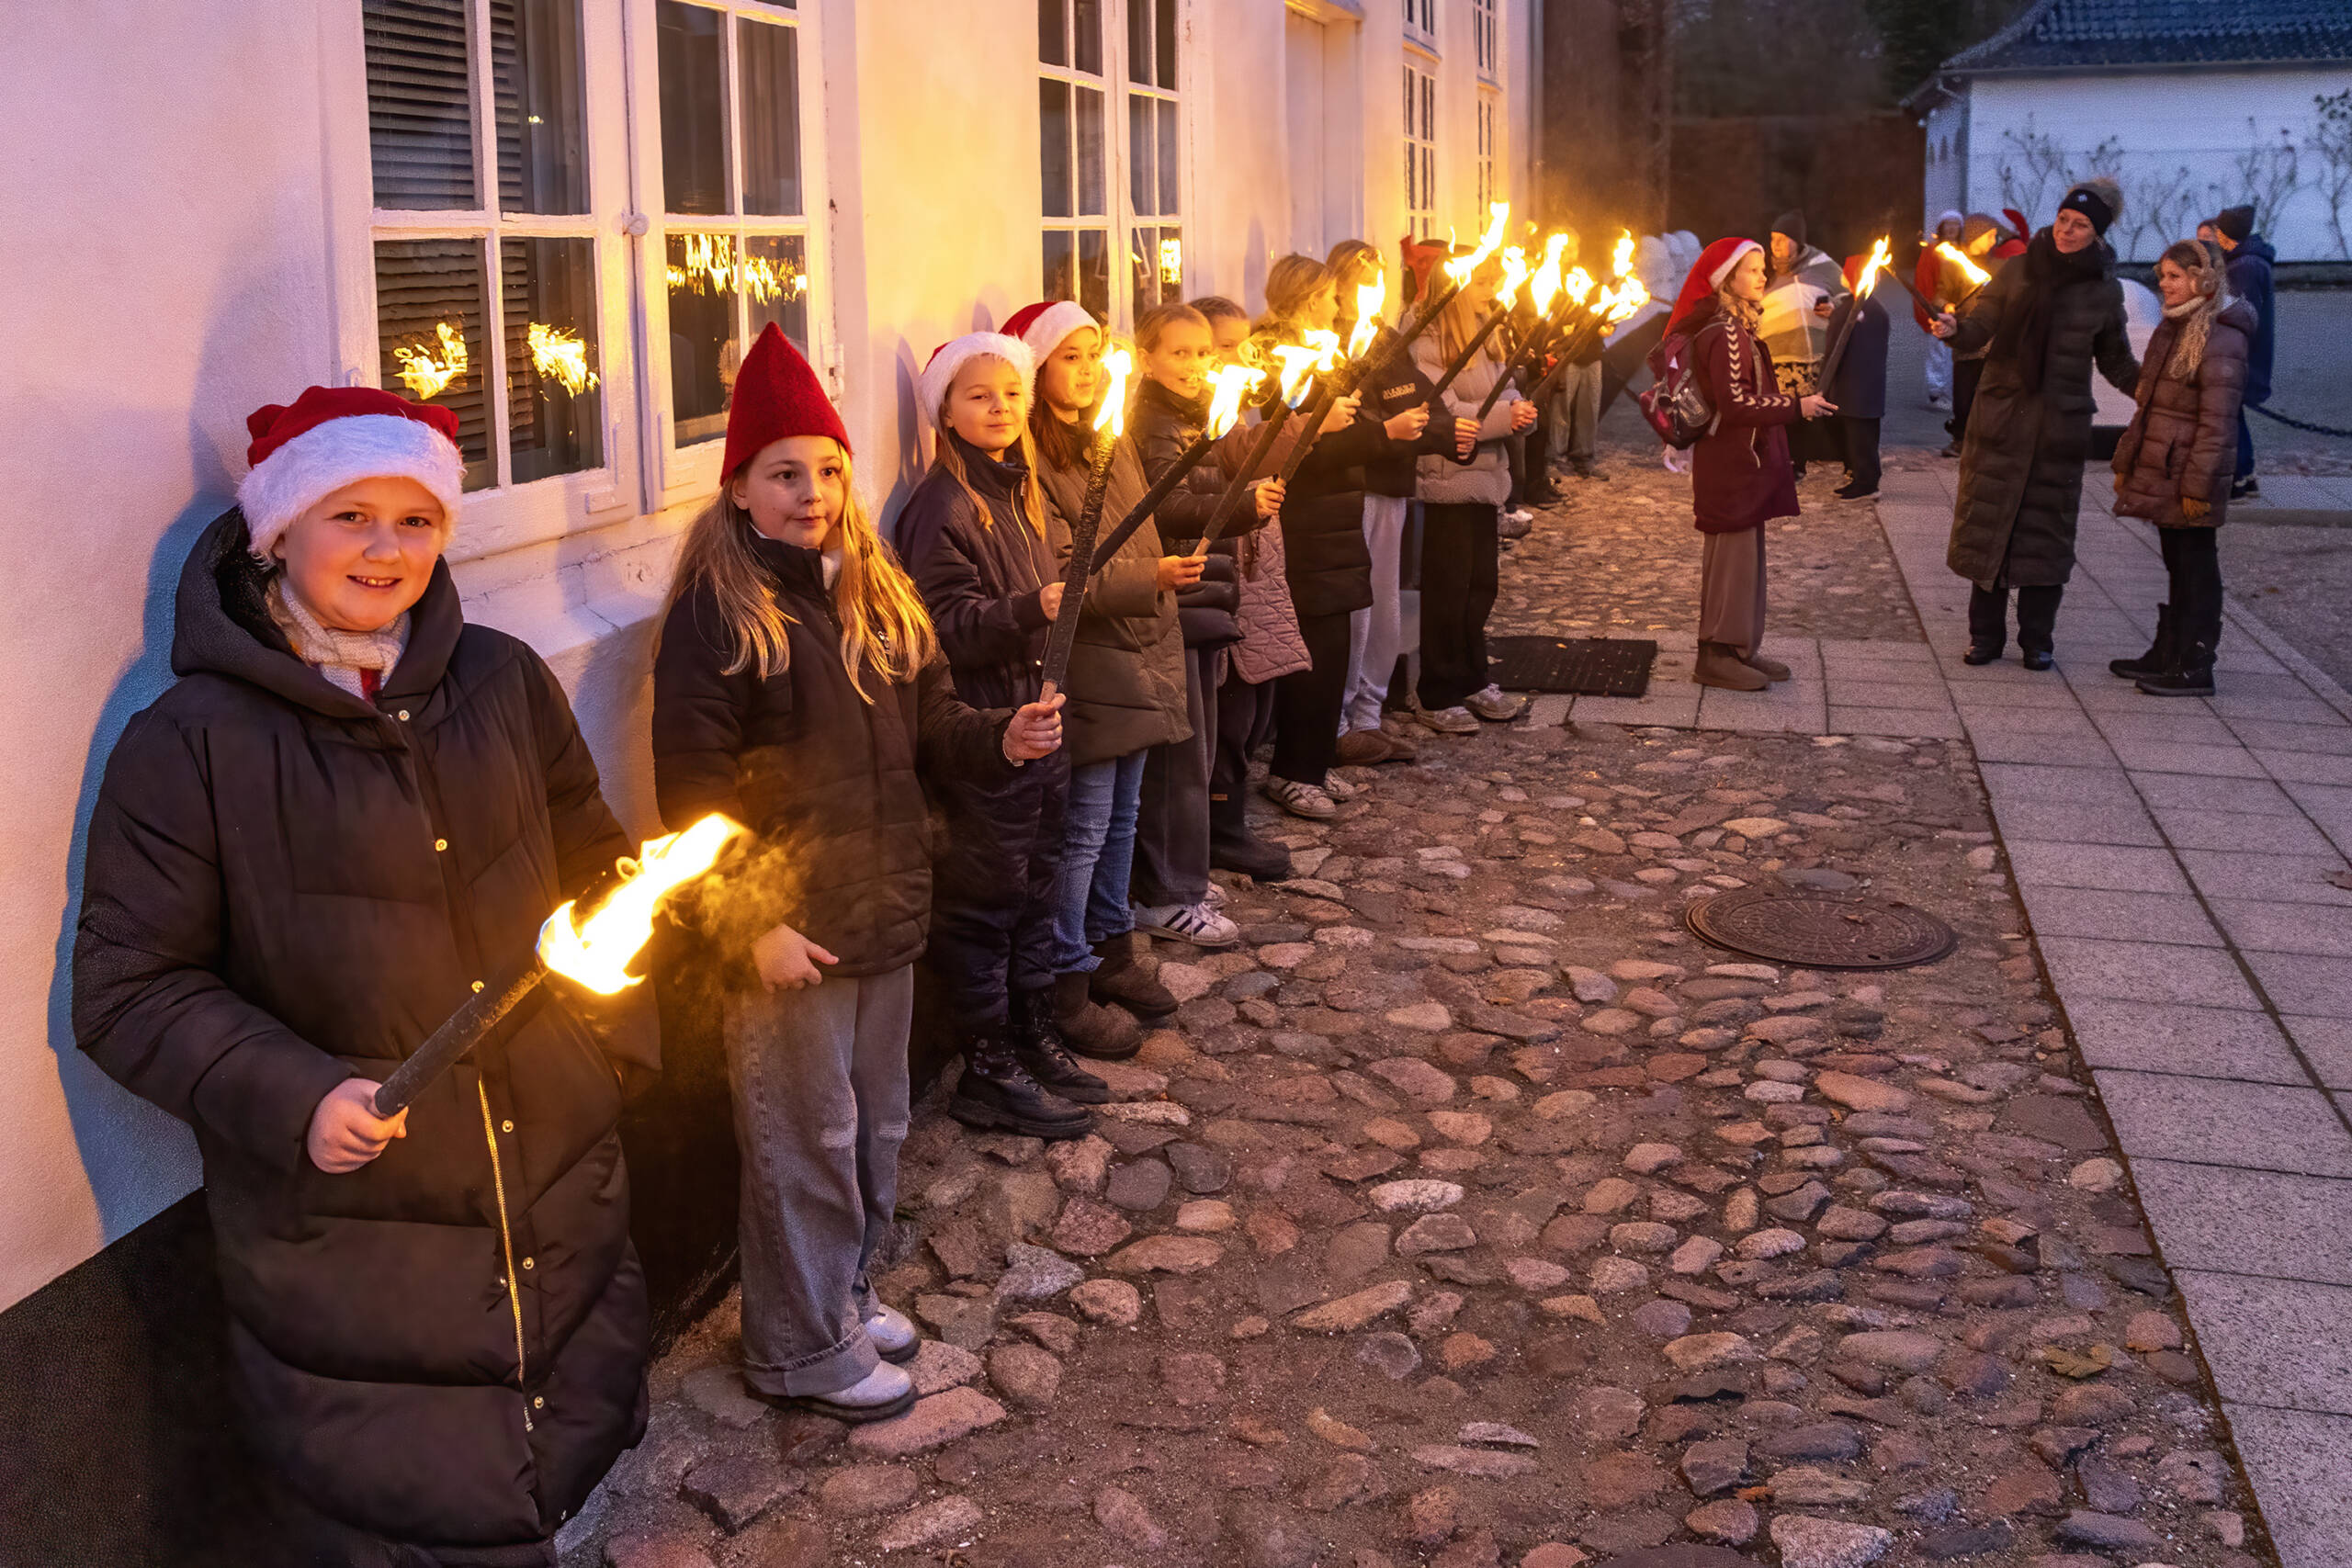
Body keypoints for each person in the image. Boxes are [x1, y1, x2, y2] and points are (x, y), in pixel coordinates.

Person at [74, 387, 657, 1562]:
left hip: (546, 1179)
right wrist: (298, 1096)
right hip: (358, 1233)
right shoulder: (192, 741)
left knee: (531, 1479)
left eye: (416, 520)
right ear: (277, 533)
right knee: (409, 1511)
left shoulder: (502, 680)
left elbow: (593, 862)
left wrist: (605, 1045)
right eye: (350, 516)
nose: (386, 549)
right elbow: (129, 987)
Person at [651, 326, 1074, 1424]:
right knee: (804, 1141)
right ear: (739, 487)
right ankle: (797, 1348)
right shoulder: (719, 614)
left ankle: (843, 1292)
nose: (813, 495)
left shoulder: (875, 595)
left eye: (829, 471)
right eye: (784, 474)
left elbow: (934, 725)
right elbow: (693, 795)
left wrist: (1001, 739)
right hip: (787, 928)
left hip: (883, 907)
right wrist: (747, 922)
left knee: (877, 1125)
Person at [897, 333, 1104, 1133]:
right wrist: (1027, 609)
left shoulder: (1021, 493)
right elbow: (941, 629)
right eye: (979, 395)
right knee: (986, 900)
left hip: (1038, 722)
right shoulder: (941, 507)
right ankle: (986, 1062)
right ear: (946, 411)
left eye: (1012, 392)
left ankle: (1031, 1029)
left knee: (1036, 887)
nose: (1001, 408)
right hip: (985, 732)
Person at [1004, 299, 1193, 1036]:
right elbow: (1067, 570)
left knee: (1121, 817)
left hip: (1140, 649)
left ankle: (1113, 941)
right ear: (1037, 368)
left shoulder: (1105, 442)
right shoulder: (1035, 460)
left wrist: (1162, 570)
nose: (1086, 371)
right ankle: (1069, 965)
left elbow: (1138, 529)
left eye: (1093, 355)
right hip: (1093, 659)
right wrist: (1151, 578)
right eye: (1069, 357)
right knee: (1084, 825)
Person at [1931, 178, 2139, 669]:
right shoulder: (2017, 269)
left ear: (2097, 234)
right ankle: (1985, 636)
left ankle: (2037, 639)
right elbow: (1981, 325)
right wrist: (1957, 330)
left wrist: (2160, 390)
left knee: (2047, 533)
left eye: (2080, 225)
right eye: (2064, 219)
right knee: (1989, 525)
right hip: (2002, 419)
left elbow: (2116, 360)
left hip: (2057, 428)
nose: (2066, 230)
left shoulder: (2103, 291)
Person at [1129, 300, 1286, 906]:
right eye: (1179, 353)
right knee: (1181, 750)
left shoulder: (1192, 415)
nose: (1195, 365)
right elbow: (1164, 505)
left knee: (1204, 740)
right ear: (1146, 359)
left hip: (1202, 591)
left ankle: (1189, 869)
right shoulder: (1153, 423)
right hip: (1177, 594)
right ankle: (1173, 884)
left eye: (1201, 353)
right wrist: (1242, 504)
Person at [1252, 254, 1409, 815]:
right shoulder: (1279, 360)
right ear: (1307, 299)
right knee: (1311, 655)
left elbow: (1345, 429)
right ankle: (1292, 773)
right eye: (1330, 295)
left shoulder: (1329, 353)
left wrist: (1367, 428)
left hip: (1337, 519)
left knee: (1334, 647)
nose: (1340, 303)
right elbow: (1293, 451)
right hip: (1307, 521)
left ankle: (1316, 763)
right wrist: (1382, 435)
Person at [1668, 238, 1838, 690]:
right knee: (1731, 560)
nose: (1763, 276)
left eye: (1763, 268)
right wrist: (1797, 406)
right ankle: (1715, 654)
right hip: (1730, 464)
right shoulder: (1725, 331)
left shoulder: (1737, 327)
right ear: (1728, 279)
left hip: (1742, 461)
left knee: (1746, 559)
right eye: (1752, 269)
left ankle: (1740, 648)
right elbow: (1737, 404)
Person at [2109, 240, 2256, 697]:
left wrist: (2198, 487)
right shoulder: (2176, 325)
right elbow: (2150, 404)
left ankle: (2194, 663)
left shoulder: (2222, 337)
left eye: (2174, 276)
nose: (2164, 284)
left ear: (2202, 279)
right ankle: (2169, 651)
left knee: (2196, 565)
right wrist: (2128, 461)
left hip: (2191, 473)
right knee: (2177, 561)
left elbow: (2218, 424)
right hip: (2167, 469)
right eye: (2163, 276)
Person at [1410, 248, 1540, 728]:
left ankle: (1473, 676)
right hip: (1448, 476)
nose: (1491, 292)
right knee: (1449, 588)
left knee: (1480, 586)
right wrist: (1507, 416)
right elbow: (1442, 412)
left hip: (1486, 478)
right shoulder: (1427, 340)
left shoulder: (1486, 334)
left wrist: (1521, 411)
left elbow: (1503, 390)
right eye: (1482, 283)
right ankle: (1438, 690)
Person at [1329, 237, 1442, 764]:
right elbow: (1344, 421)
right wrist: (1386, 428)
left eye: (1377, 280)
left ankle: (1368, 713)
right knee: (1355, 608)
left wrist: (1442, 430)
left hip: (1391, 483)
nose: (1370, 289)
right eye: (1359, 280)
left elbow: (1418, 398)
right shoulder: (1330, 342)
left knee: (1384, 603)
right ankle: (1340, 718)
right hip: (1354, 486)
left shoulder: (1386, 337)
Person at [1760, 210, 1846, 479]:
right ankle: (1794, 464)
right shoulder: (1764, 271)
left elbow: (1849, 298)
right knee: (1788, 411)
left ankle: (1845, 458)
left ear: (1798, 241)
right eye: (1773, 238)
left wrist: (1834, 309)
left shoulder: (1823, 265)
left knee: (1822, 409)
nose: (1775, 245)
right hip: (1778, 354)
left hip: (1815, 355)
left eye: (1783, 239)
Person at [1942, 212, 2028, 457]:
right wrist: (1946, 305)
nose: (1993, 241)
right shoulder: (1956, 264)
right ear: (1975, 236)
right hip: (1965, 338)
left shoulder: (1999, 265)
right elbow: (1941, 292)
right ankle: (1961, 438)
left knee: (1989, 393)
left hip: (1991, 341)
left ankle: (1987, 440)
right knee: (1963, 393)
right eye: (1989, 236)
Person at [2211, 204, 2276, 500]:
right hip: (2245, 354)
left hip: (2237, 355)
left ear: (2226, 235)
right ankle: (2246, 477)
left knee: (2229, 416)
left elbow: (2239, 314)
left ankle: (2236, 479)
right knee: (2233, 413)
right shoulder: (2251, 261)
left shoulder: (2243, 267)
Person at [1825, 252, 1891, 500]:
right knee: (1858, 436)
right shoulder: (1859, 306)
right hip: (1859, 387)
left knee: (1861, 437)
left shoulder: (1863, 310)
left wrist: (1825, 383)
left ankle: (1867, 483)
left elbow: (1837, 349)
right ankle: (1860, 476)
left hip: (1857, 387)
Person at [1548, 228, 1609, 481]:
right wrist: (1562, 329)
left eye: (1574, 247)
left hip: (1592, 355)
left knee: (1588, 409)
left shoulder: (1589, 280)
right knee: (1560, 410)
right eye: (1567, 248)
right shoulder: (1551, 279)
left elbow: (1604, 318)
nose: (1571, 253)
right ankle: (1554, 458)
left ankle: (1584, 458)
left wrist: (1606, 326)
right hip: (1566, 356)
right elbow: (1547, 319)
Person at [1919, 210, 1964, 410]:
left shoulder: (1963, 250)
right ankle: (1935, 393)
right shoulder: (1932, 251)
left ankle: (1951, 392)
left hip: (1960, 310)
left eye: (1956, 224)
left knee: (1953, 354)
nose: (1952, 228)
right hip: (1937, 308)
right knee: (1937, 352)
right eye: (1948, 224)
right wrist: (1932, 307)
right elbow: (1924, 281)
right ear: (1941, 227)